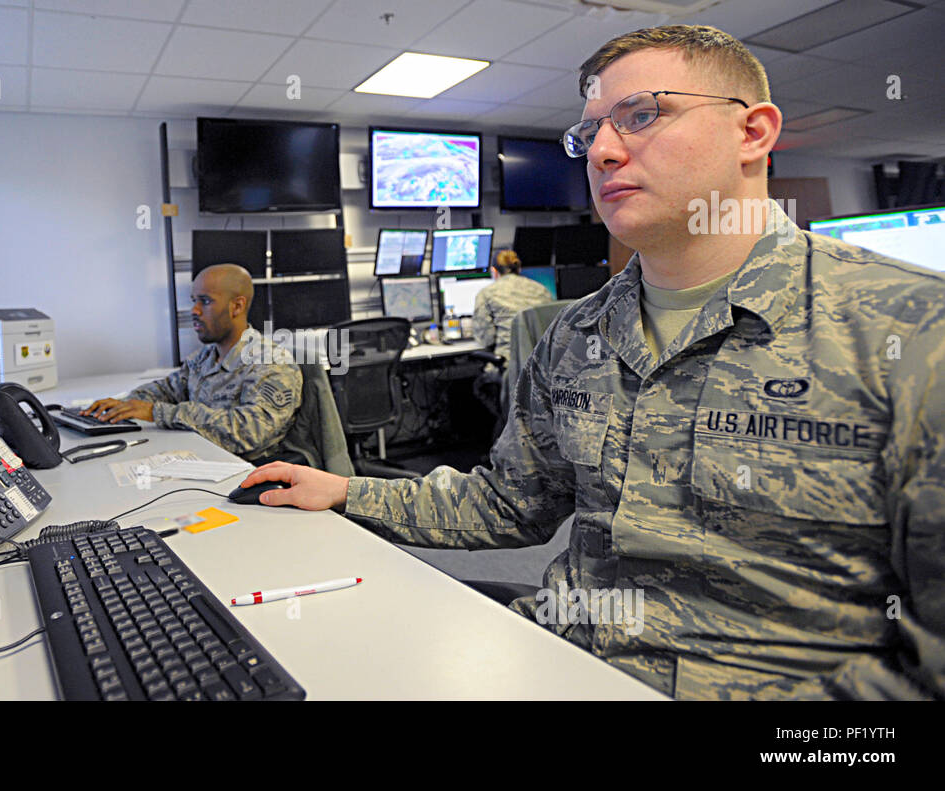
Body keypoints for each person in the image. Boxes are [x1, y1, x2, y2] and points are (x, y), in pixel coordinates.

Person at [235, 25, 945, 700]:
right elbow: (508, 503)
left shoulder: (911, 332)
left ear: (752, 132)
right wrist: (345, 490)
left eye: (641, 115)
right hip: (558, 653)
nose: (602, 151)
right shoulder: (575, 334)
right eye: (589, 132)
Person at [84, 264, 302, 463]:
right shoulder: (206, 356)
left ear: (236, 306)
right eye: (193, 301)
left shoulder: (272, 364)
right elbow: (166, 390)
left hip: (245, 474)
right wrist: (122, 406)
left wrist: (159, 413)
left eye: (205, 301)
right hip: (199, 458)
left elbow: (249, 432)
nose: (194, 311)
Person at [471, 249, 554, 364]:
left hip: (510, 365)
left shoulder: (486, 294)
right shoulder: (541, 289)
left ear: (494, 271)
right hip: (543, 365)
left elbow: (486, 339)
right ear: (519, 269)